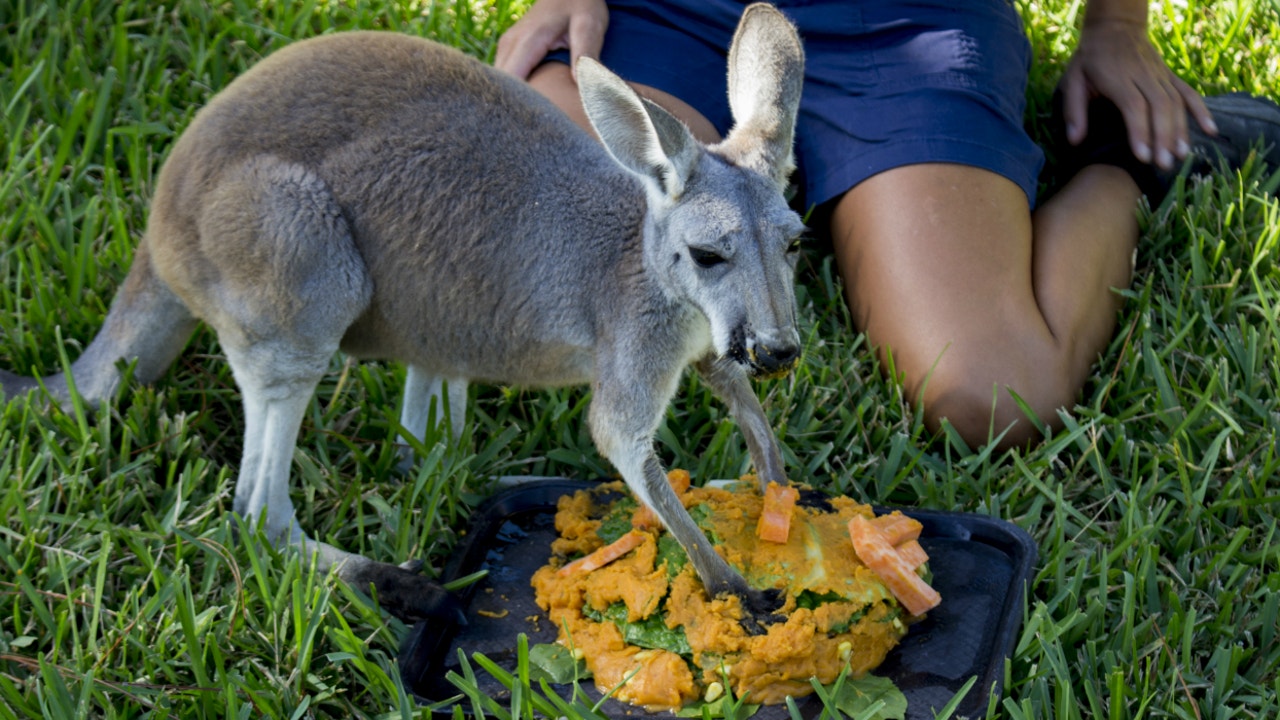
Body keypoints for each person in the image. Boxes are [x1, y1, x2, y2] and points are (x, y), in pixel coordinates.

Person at [493, 0, 1280, 448]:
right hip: (671, 14)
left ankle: (1127, 154)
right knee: (560, 266)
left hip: (907, 24)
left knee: (992, 397)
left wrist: (1116, 27)